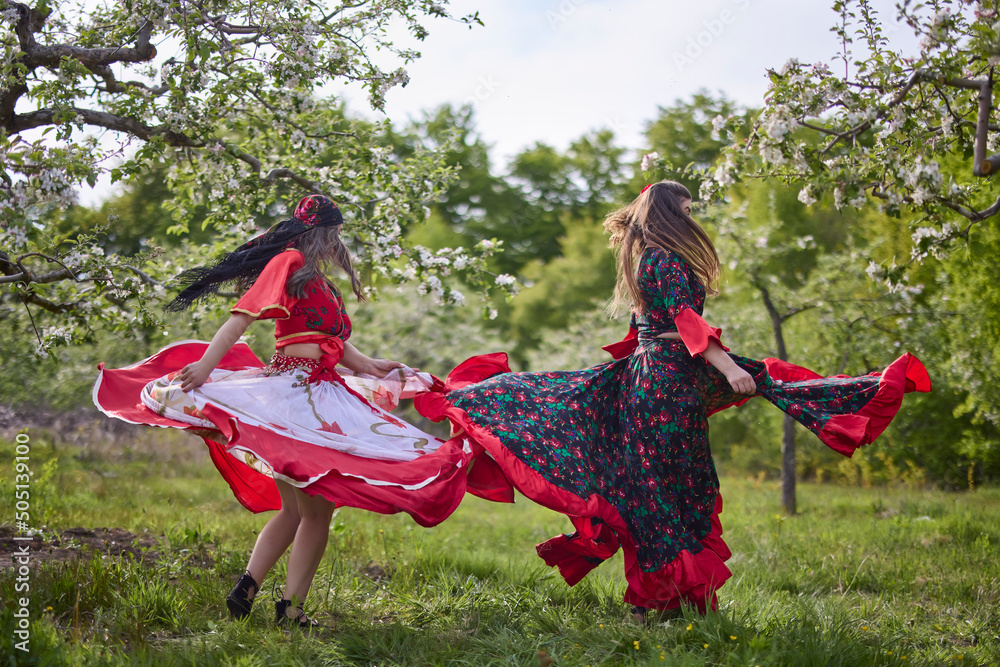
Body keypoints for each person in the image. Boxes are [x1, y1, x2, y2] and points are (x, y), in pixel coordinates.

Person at [413, 181, 931, 620]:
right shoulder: (663, 260)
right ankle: (660, 598)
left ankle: (668, 596)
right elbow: (686, 324)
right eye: (685, 208)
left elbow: (656, 328)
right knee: (667, 485)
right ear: (668, 212)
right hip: (665, 385)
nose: (691, 215)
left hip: (663, 379)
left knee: (677, 479)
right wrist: (727, 368)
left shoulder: (656, 260)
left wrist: (724, 368)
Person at [94, 194, 476, 629]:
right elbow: (240, 319)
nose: (338, 244)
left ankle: (246, 590)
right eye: (335, 235)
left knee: (297, 511)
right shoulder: (289, 261)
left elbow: (332, 342)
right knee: (316, 512)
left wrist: (373, 365)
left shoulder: (318, 282)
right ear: (323, 233)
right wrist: (205, 366)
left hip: (321, 392)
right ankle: (290, 611)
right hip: (294, 397)